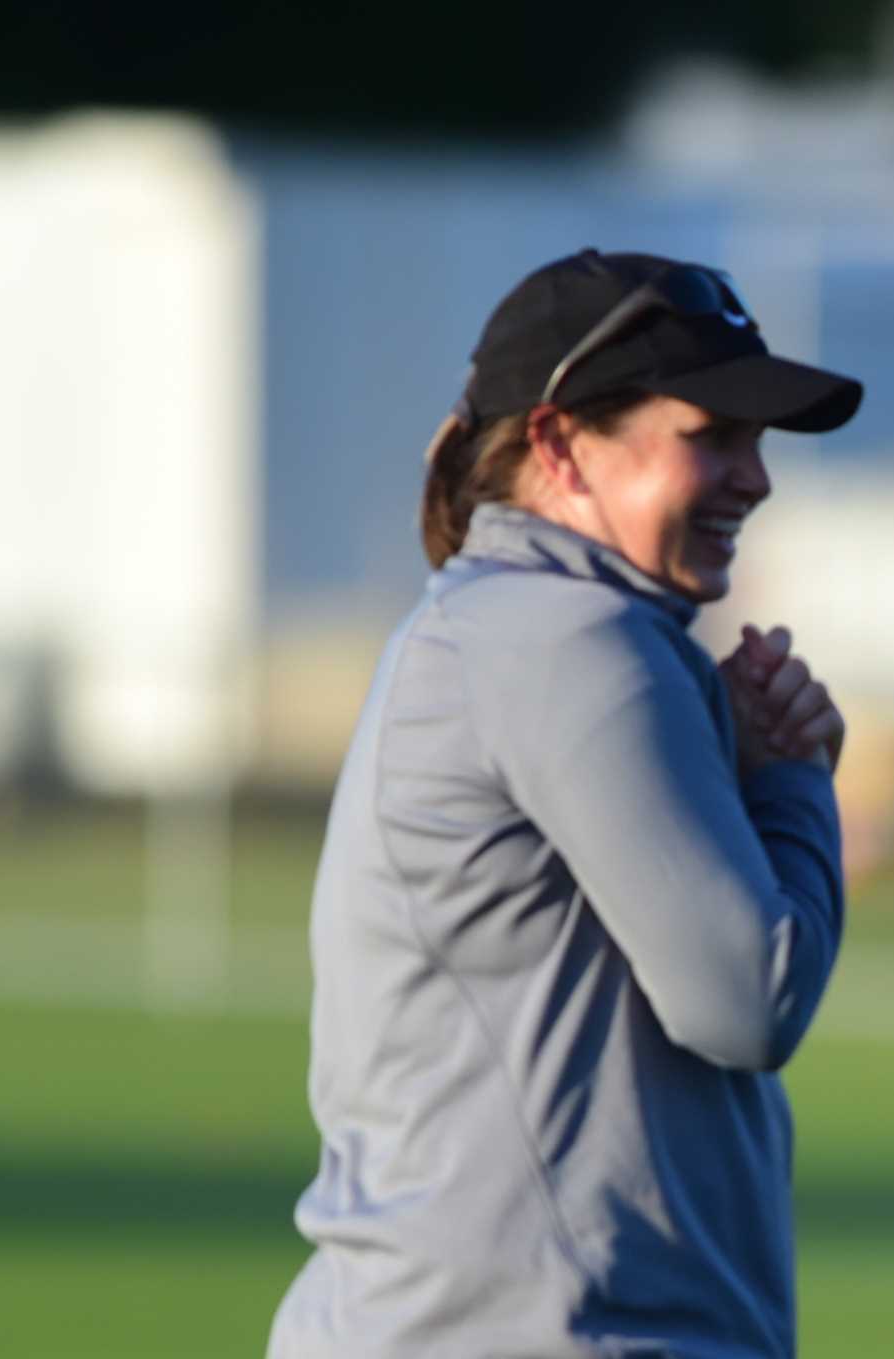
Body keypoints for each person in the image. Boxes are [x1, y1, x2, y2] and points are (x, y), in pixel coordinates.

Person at [268, 249, 861, 1359]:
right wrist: (789, 781)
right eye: (710, 436)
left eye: (757, 440)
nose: (756, 477)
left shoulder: (516, 628)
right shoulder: (570, 643)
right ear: (556, 444)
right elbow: (749, 996)